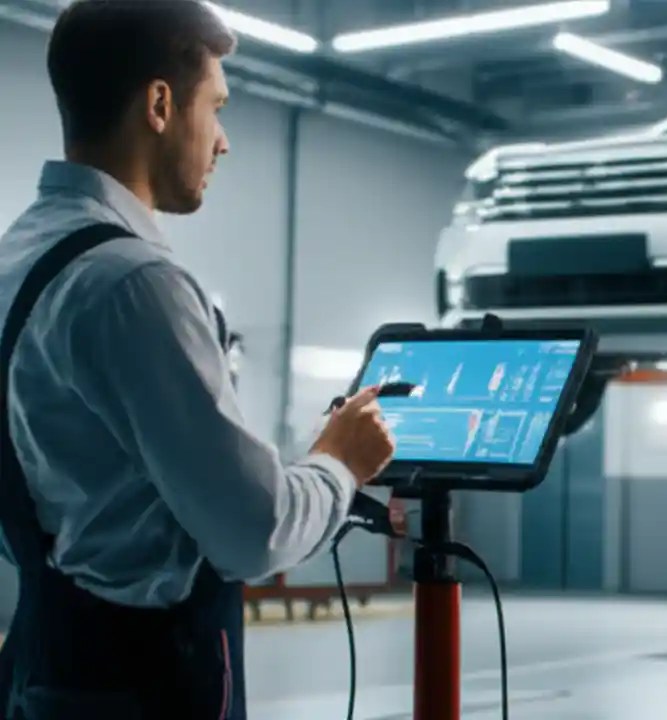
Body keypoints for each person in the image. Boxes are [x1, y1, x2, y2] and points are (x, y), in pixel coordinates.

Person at [0, 2, 395, 718]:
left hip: (42, 664)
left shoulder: (14, 262)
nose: (222, 142)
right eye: (216, 107)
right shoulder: (134, 282)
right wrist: (341, 460)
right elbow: (256, 533)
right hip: (145, 683)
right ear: (159, 104)